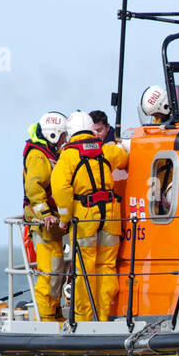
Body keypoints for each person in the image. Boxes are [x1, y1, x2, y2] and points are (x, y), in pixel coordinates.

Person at [52, 110, 129, 321]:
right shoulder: (105, 150)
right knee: (107, 266)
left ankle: (86, 320)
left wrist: (65, 218)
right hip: (112, 216)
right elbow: (123, 157)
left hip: (85, 217)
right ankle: (103, 317)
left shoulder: (67, 156)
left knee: (84, 269)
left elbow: (61, 189)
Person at [22, 111, 68, 321]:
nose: (64, 140)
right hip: (44, 225)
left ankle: (53, 313)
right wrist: (46, 214)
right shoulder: (38, 156)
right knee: (48, 274)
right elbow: (34, 189)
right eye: (62, 136)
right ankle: (45, 318)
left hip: (53, 228)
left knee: (56, 272)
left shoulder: (47, 154)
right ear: (52, 135)